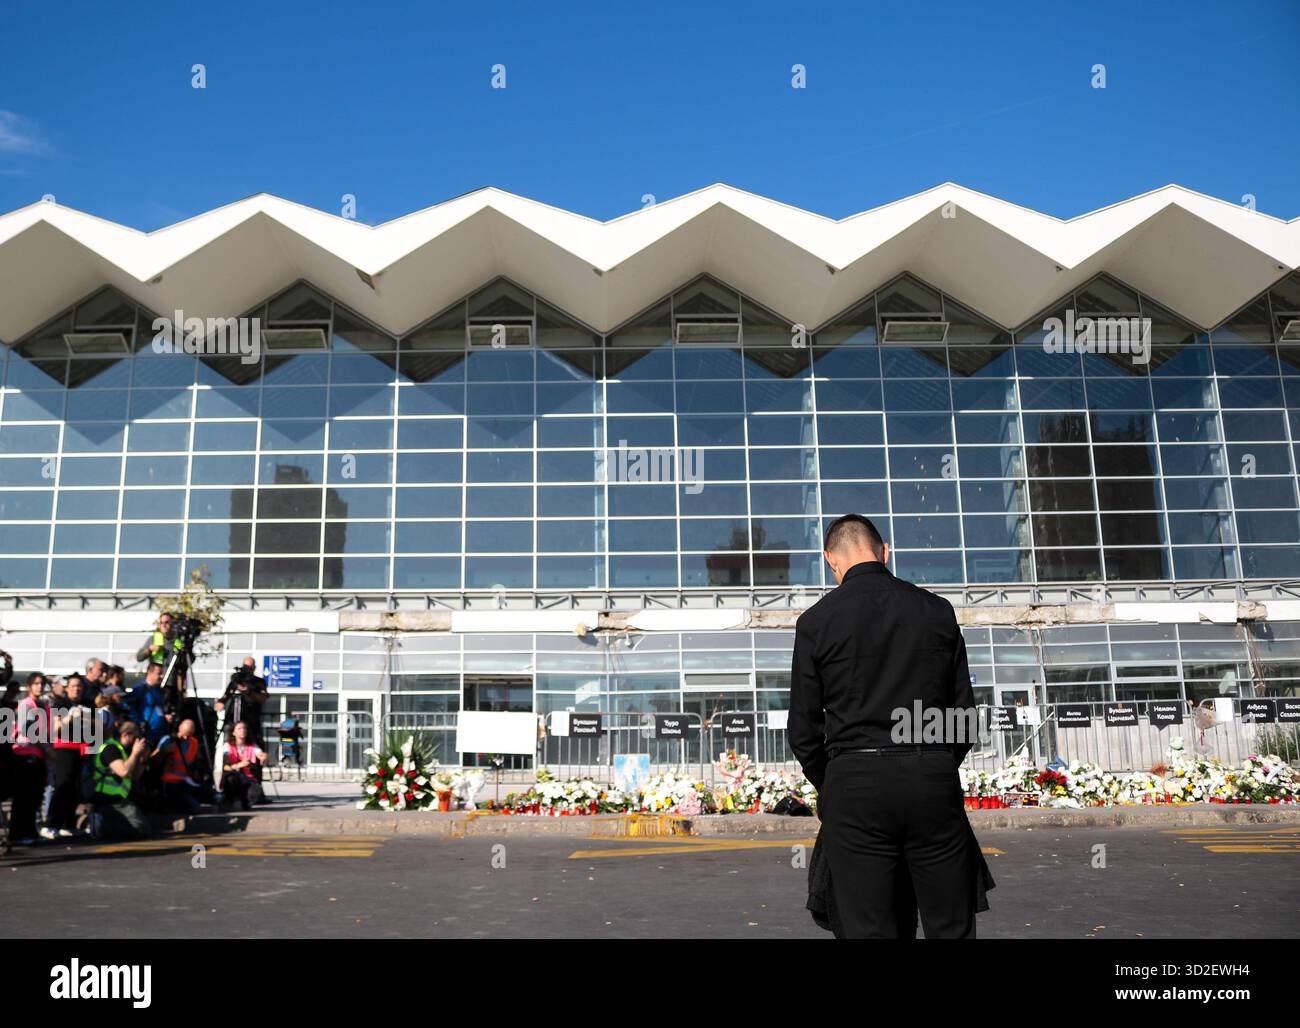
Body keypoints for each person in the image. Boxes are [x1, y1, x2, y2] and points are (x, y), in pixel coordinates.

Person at [790, 514, 990, 939]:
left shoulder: (816, 622)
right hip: (930, 778)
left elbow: (803, 729)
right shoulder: (936, 610)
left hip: (855, 783)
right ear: (885, 552)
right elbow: (962, 715)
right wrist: (932, 761)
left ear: (831, 561)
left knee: (870, 928)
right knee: (950, 925)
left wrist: (834, 782)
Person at [47, 673, 95, 838]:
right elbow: (56, 728)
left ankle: (69, 824)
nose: (77, 689)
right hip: (64, 749)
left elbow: (95, 728)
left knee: (75, 788)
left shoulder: (88, 704)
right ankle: (52, 824)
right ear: (67, 688)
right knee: (63, 786)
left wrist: (87, 719)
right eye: (74, 686)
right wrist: (71, 717)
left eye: (80, 686)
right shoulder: (61, 703)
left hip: (81, 749)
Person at [11, 672, 54, 846]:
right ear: (29, 686)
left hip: (38, 755)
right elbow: (28, 730)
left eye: (42, 683)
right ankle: (17, 834)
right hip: (25, 754)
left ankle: (30, 831)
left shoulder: (44, 705)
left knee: (35, 796)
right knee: (24, 797)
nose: (40, 686)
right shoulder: (26, 705)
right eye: (36, 683)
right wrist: (47, 748)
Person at [90, 720, 150, 839]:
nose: (137, 741)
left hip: (120, 799)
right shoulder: (110, 749)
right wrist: (135, 753)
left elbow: (134, 778)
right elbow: (124, 772)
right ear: (125, 735)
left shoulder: (123, 750)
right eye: (136, 737)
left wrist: (143, 759)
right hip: (107, 799)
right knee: (141, 828)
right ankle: (101, 827)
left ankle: (103, 826)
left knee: (143, 828)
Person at [155, 718, 209, 815]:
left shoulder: (194, 742)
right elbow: (153, 760)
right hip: (169, 781)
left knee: (207, 793)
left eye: (188, 735)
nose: (185, 737)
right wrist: (165, 751)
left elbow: (195, 762)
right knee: (188, 803)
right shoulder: (168, 740)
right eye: (184, 734)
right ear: (179, 728)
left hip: (186, 780)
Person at [216, 657, 268, 746]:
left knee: (254, 742)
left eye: (249, 667)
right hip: (235, 719)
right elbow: (227, 694)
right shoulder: (236, 681)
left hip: (252, 719)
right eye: (245, 666)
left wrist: (249, 691)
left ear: (254, 668)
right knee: (232, 740)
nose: (247, 669)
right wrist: (221, 702)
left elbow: (262, 698)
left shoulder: (259, 682)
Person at [220, 720, 269, 811]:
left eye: (244, 728)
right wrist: (239, 765)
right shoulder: (227, 746)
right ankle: (232, 800)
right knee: (231, 780)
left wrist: (264, 756)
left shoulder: (252, 746)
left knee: (255, 794)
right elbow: (225, 766)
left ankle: (246, 800)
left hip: (248, 778)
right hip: (233, 776)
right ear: (233, 732)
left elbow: (260, 754)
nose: (243, 730)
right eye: (239, 728)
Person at [126, 662, 173, 748]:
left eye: (162, 674)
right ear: (150, 673)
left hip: (158, 736)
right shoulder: (140, 689)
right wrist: (139, 722)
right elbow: (128, 707)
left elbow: (159, 709)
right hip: (145, 736)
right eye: (159, 673)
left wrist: (165, 717)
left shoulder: (159, 691)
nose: (161, 676)